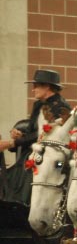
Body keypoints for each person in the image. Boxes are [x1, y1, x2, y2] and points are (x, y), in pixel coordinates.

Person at [0, 69, 71, 205]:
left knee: (25, 169)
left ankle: (22, 205)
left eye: (36, 86)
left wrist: (12, 143)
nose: (33, 90)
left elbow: (45, 135)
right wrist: (20, 134)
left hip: (50, 157)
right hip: (32, 152)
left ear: (47, 87)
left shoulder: (61, 107)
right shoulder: (38, 104)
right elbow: (34, 131)